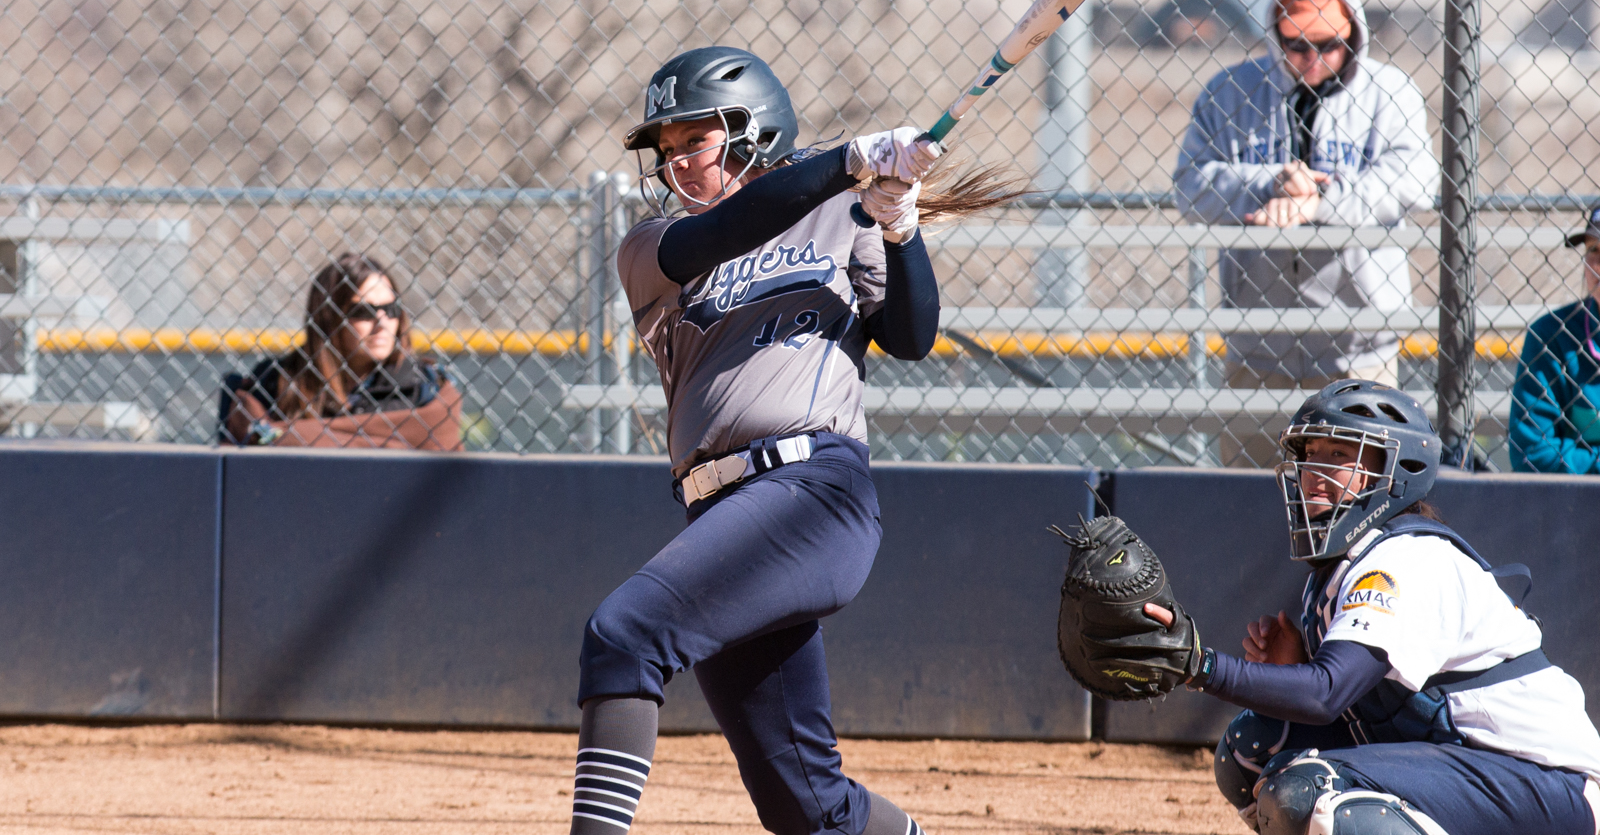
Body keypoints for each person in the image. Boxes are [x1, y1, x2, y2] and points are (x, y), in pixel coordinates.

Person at [567, 45, 1015, 835]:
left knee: (624, 634)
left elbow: (911, 337)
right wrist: (850, 160)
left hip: (814, 494)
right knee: (809, 806)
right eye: (666, 150)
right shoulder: (653, 249)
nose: (676, 165)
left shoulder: (842, 219)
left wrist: (901, 228)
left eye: (693, 142)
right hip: (720, 513)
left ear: (754, 134)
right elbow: (739, 224)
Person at [1146, 380, 1600, 834]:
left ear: (1399, 469)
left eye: (1339, 456)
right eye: (1311, 455)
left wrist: (1198, 666)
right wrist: (1292, 668)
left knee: (1313, 793)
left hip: (1550, 785)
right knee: (1253, 745)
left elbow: (1324, 694)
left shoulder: (1405, 558)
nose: (1314, 472)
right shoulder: (1344, 565)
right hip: (1469, 766)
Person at [1173, 0, 1437, 467]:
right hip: (1258, 350)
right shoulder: (1229, 92)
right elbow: (1190, 186)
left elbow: (1415, 180)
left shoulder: (1389, 92)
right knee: (1249, 509)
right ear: (1275, 35)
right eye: (1296, 46)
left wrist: (1321, 203)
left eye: (1329, 45)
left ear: (1354, 33)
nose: (1314, 59)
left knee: (1359, 515)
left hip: (1358, 352)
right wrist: (1271, 183)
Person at [219, 252, 462, 450]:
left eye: (391, 309)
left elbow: (441, 447)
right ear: (330, 319)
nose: (382, 324)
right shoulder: (278, 381)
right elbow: (247, 445)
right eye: (364, 312)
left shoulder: (424, 386)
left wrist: (297, 437)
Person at [1509, 205, 1600, 474]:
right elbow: (1532, 453)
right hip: (1573, 506)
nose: (1597, 266)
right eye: (1593, 250)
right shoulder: (1551, 336)